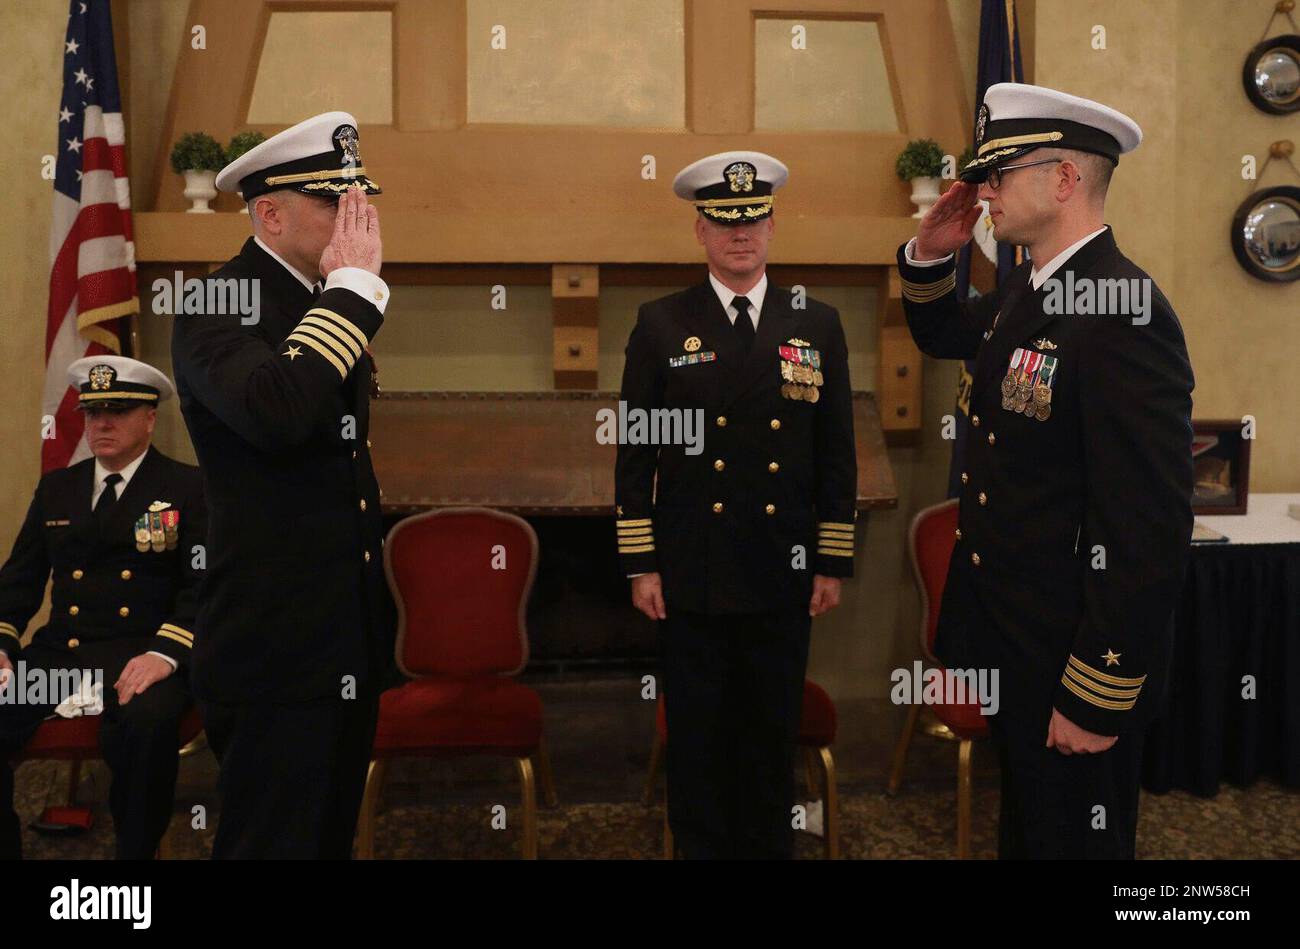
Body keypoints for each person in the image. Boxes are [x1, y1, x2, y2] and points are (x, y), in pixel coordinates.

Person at [898, 83, 1194, 858]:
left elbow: (1148, 527)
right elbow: (943, 334)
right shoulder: (1028, 286)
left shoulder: (1123, 310)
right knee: (1030, 833)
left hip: (1071, 654)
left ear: (1063, 179)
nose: (984, 190)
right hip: (1015, 643)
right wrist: (933, 253)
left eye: (1000, 172)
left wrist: (1097, 692)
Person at [616, 151, 858, 858]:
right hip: (694, 573)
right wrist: (641, 563)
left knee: (767, 739)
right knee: (698, 743)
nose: (740, 235)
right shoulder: (662, 323)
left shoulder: (816, 322)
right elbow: (636, 454)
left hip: (782, 573)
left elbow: (836, 452)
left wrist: (831, 558)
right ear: (700, 232)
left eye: (752, 219)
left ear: (773, 224)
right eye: (724, 223)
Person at [170, 111, 395, 858]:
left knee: (325, 840)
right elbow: (275, 412)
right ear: (269, 213)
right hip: (274, 647)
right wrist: (356, 291)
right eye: (336, 202)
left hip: (343, 639)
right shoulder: (215, 302)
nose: (358, 217)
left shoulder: (320, 297)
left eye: (362, 197)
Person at [0, 356, 205, 858]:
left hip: (140, 659)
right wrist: (1, 645)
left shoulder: (187, 488)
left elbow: (205, 586)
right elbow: (19, 581)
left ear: (150, 418)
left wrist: (166, 654)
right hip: (63, 660)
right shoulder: (59, 489)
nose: (102, 425)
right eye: (93, 414)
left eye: (117, 411)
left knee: (146, 726)